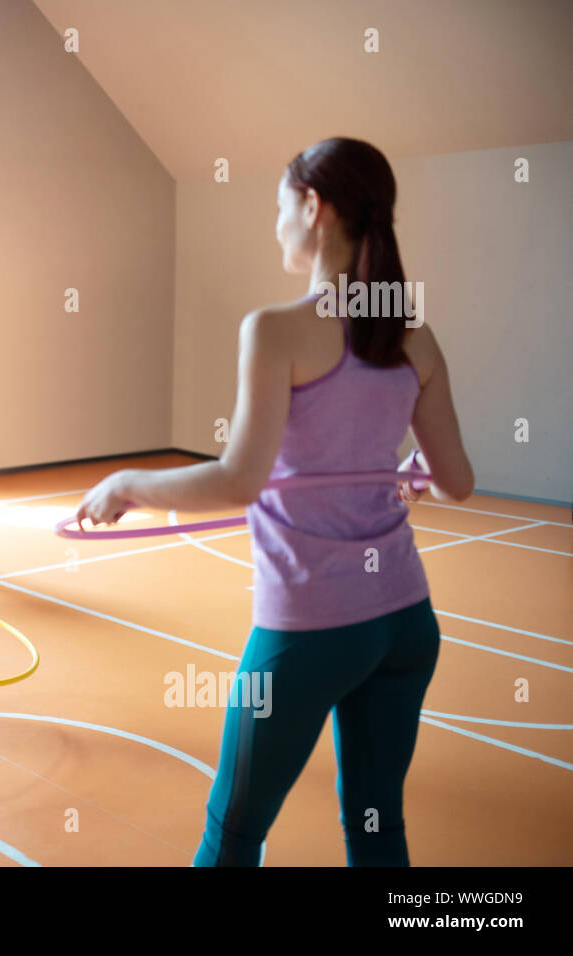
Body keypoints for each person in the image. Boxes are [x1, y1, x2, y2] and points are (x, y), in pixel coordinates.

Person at [76, 138, 474, 866]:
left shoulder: (275, 330)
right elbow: (457, 481)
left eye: (281, 205)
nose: (277, 222)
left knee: (233, 834)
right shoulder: (413, 333)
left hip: (309, 632)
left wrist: (125, 483)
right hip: (406, 626)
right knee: (378, 830)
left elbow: (237, 481)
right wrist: (403, 465)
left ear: (314, 208)